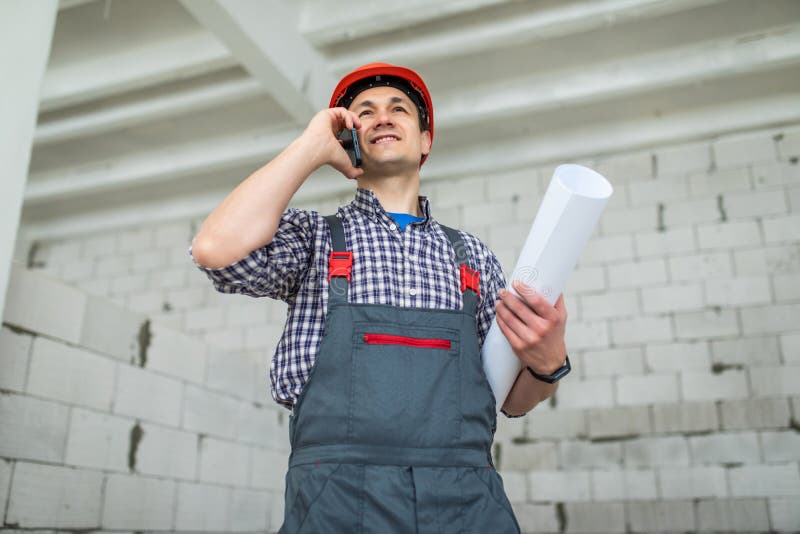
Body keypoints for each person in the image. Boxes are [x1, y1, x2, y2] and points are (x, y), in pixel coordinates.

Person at [190, 63, 569, 533]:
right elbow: (214, 249)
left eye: (399, 109)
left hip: (466, 502)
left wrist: (549, 364)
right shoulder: (315, 240)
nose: (382, 117)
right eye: (363, 112)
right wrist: (310, 147)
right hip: (337, 501)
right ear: (347, 138)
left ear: (426, 140)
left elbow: (513, 400)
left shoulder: (474, 259)